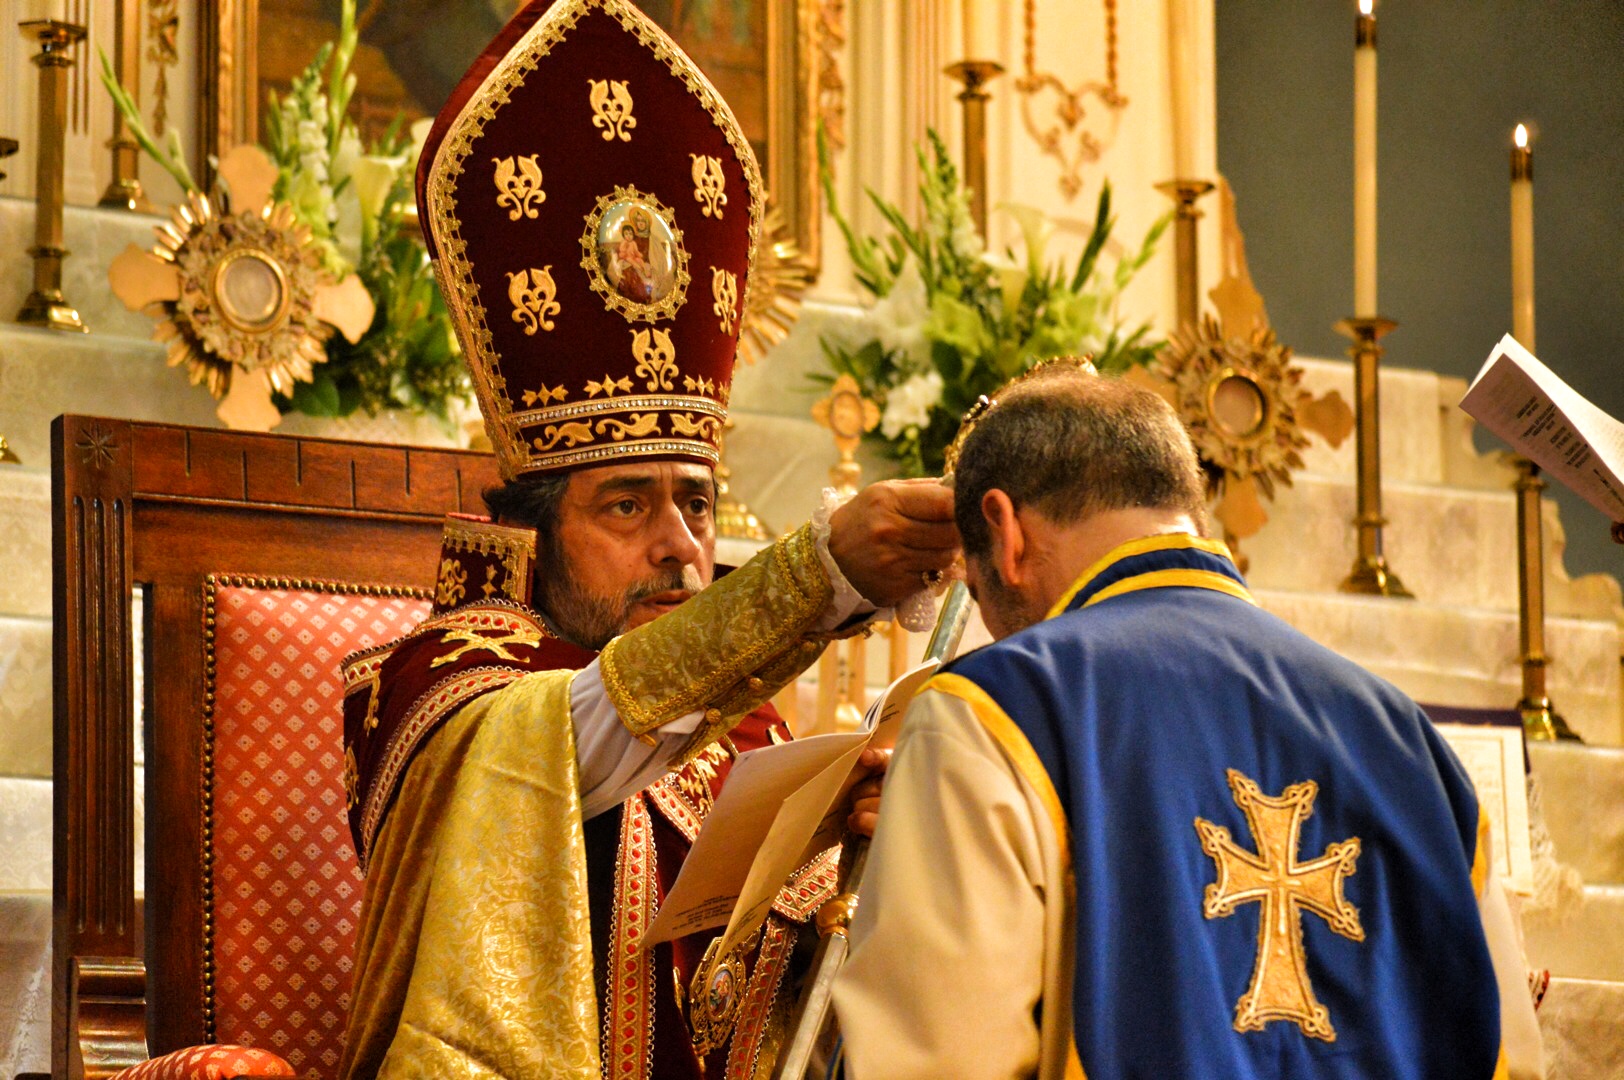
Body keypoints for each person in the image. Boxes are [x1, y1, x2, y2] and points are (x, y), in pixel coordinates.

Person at [337, 3, 957, 1075]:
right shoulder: (441, 689)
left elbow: (792, 1001)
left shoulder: (743, 722)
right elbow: (588, 729)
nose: (680, 546)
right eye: (627, 506)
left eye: (697, 504)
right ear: (533, 531)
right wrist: (818, 578)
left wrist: (853, 846)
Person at [833, 364, 1544, 1080]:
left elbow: (935, 1061)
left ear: (1005, 530)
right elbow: (1514, 1057)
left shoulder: (992, 712)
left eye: (976, 584)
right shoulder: (1410, 742)